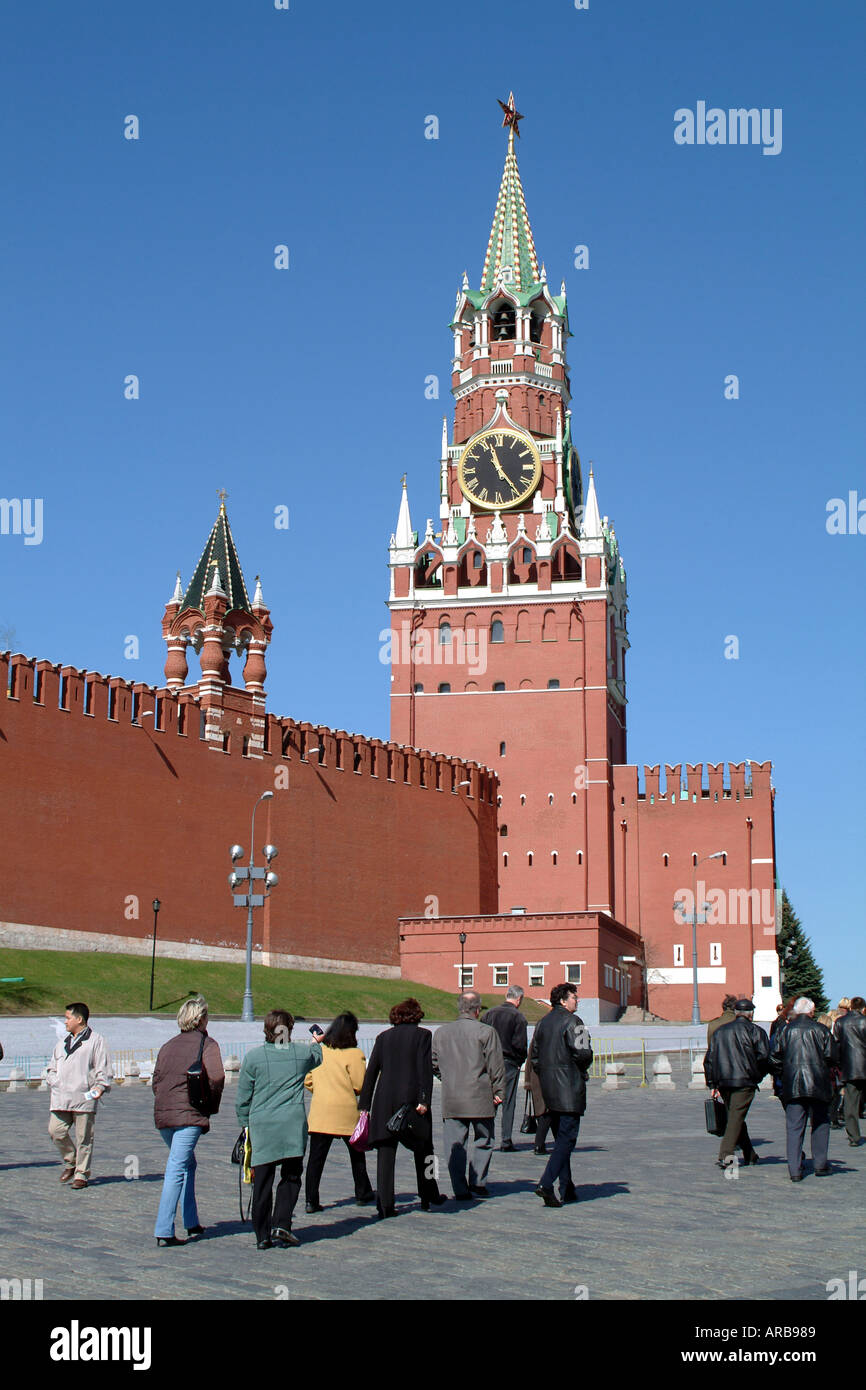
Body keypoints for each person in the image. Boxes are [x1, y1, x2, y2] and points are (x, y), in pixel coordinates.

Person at [236, 1009, 321, 1249]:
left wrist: (244, 1123)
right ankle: (282, 1222)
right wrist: (316, 1041)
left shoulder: (253, 1058)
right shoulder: (301, 1054)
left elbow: (243, 1097)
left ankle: (262, 1235)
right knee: (292, 1176)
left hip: (262, 1126)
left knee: (262, 1181)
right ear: (289, 1030)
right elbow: (317, 1057)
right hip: (291, 1126)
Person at [357, 998, 445, 1218]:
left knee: (385, 1154)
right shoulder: (423, 1036)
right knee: (426, 1150)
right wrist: (424, 1100)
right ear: (416, 1016)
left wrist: (364, 1105)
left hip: (384, 1100)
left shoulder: (383, 1038)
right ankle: (429, 1194)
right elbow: (425, 1070)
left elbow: (372, 1072)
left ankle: (385, 1205)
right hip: (412, 1100)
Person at [152, 994, 224, 1246]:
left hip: (164, 1115)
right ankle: (164, 1229)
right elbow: (216, 1078)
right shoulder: (207, 1044)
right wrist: (209, 1107)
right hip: (189, 1114)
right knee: (176, 1168)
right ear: (201, 1019)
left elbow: (156, 1081)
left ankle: (191, 1220)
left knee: (186, 1164)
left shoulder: (167, 1046)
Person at [432, 992, 505, 1199]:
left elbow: (434, 1064)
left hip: (453, 1096)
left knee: (455, 1145)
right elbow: (496, 1066)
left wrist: (448, 1079)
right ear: (477, 1009)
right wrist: (499, 1091)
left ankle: (460, 1188)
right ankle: (478, 1182)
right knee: (484, 1139)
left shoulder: (441, 1033)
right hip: (481, 1095)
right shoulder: (486, 1032)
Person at [530, 982, 593, 1208]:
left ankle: (567, 1186)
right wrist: (577, 1069)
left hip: (549, 1089)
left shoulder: (543, 1023)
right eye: (574, 997)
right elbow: (584, 1053)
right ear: (564, 1001)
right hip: (569, 1089)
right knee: (567, 1139)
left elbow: (534, 1057)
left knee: (560, 1140)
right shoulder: (575, 1022)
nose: (577, 1000)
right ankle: (546, 1183)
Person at [304, 1011, 375, 1212]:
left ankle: (311, 1199)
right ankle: (362, 1192)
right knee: (357, 1154)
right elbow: (360, 1085)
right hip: (345, 1112)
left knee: (315, 1159)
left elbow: (307, 1079)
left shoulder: (320, 1052)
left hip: (321, 1112)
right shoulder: (355, 1054)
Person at [46, 1002, 111, 1190]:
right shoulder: (61, 1043)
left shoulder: (96, 1041)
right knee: (55, 1131)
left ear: (79, 1019)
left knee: (84, 1138)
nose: (65, 1021)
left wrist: (98, 1089)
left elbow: (103, 1070)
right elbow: (51, 1068)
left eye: (67, 1018)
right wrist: (54, 1080)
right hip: (61, 1098)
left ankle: (82, 1173)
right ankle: (71, 1162)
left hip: (84, 1098)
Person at [770, 996, 837, 1179]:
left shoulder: (785, 1031)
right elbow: (832, 1057)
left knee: (794, 1127)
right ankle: (820, 1164)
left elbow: (774, 1058)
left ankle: (794, 1170)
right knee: (821, 1123)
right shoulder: (821, 1030)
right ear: (811, 1011)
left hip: (793, 1084)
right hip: (818, 1083)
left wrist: (784, 1074)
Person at [703, 997, 770, 1170]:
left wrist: (712, 1083)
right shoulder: (756, 1031)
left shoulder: (720, 1031)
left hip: (724, 1081)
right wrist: (757, 1076)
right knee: (735, 1117)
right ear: (750, 1013)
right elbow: (764, 1058)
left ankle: (750, 1154)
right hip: (744, 1081)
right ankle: (725, 1155)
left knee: (735, 1116)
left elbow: (709, 1059)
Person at [481, 986, 528, 1152]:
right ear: (519, 999)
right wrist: (519, 1061)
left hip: (488, 1062)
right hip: (509, 1062)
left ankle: (485, 1137)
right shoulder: (518, 1017)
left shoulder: (488, 1014)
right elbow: (520, 1045)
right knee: (508, 1102)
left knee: (489, 1101)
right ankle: (506, 1140)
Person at [833, 995, 866, 1148]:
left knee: (850, 1103)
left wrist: (840, 1064)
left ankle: (853, 1135)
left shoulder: (841, 1022)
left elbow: (837, 1045)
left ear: (851, 1007)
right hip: (863, 1065)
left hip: (850, 1067)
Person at [524, 1049, 552, 1155]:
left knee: (547, 1112)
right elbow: (531, 1059)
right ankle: (539, 1144)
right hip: (541, 1078)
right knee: (546, 1113)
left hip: (538, 1078)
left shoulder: (539, 1034)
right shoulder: (541, 1035)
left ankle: (542, 1143)